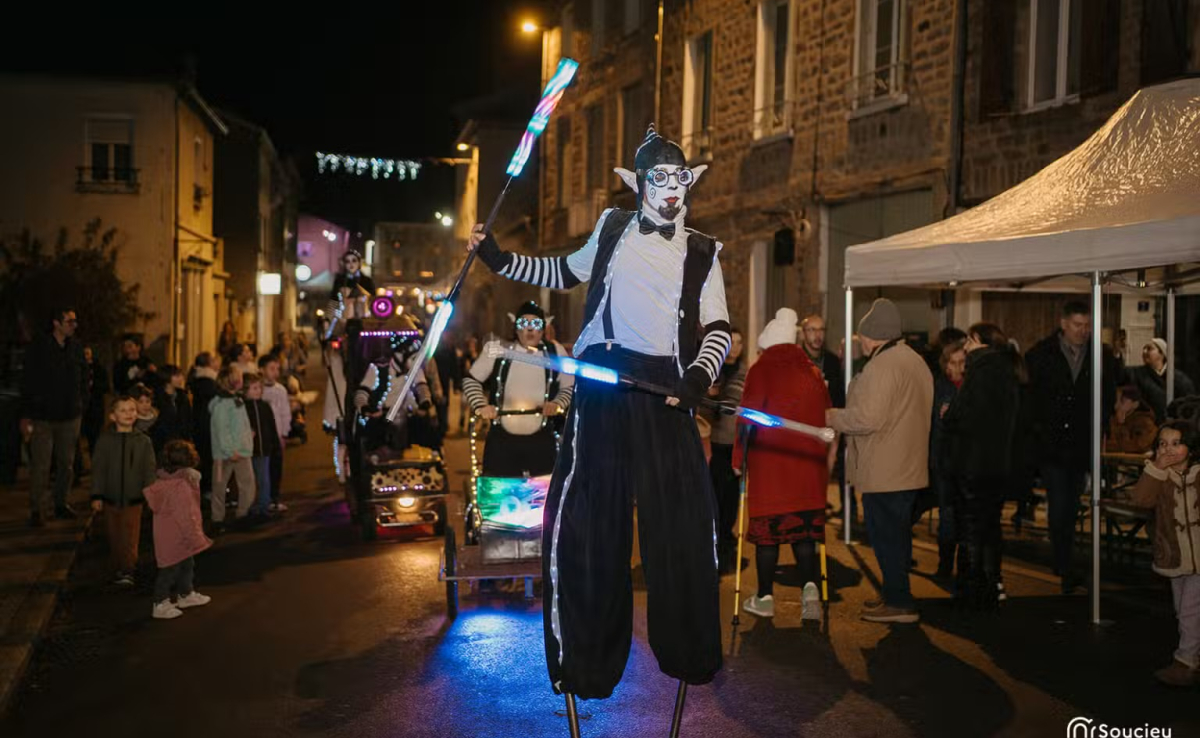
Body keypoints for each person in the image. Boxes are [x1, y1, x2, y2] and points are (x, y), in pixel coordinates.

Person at [468, 124, 730, 702]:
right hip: (604, 383)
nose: (670, 189)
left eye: (679, 178)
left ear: (689, 185)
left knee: (684, 523)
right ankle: (586, 660)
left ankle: (688, 649)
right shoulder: (613, 228)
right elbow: (562, 272)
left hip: (666, 389)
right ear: (639, 185)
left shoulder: (705, 252)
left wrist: (696, 377)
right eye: (658, 178)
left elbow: (718, 329)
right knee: (587, 524)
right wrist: (497, 258)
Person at [827, 298, 932, 624]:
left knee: (887, 538)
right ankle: (894, 594)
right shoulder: (914, 361)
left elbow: (867, 418)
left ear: (872, 335)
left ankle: (899, 602)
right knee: (897, 537)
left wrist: (831, 416)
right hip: (907, 466)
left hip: (885, 469)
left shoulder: (883, 366)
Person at [733, 309, 830, 620]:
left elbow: (747, 419)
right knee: (804, 534)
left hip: (771, 468)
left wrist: (739, 459)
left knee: (768, 534)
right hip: (807, 468)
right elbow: (825, 416)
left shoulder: (761, 370)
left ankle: (764, 597)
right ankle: (810, 593)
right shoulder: (813, 372)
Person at [1025, 301, 1115, 593]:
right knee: (1060, 502)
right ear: (1064, 323)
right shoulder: (1041, 355)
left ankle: (1064, 557)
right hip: (1051, 446)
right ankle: (1063, 561)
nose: (1083, 331)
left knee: (1072, 504)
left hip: (1081, 445)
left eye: (1088, 326)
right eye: (1078, 325)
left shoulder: (1101, 356)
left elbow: (1110, 393)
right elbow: (1032, 400)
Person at [941, 323, 1020, 609]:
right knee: (990, 526)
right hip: (997, 464)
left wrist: (948, 414)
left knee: (971, 528)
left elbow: (962, 416)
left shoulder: (979, 372)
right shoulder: (1008, 372)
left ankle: (970, 587)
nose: (966, 349)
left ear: (980, 343)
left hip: (972, 463)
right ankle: (991, 582)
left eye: (969, 343)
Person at [1119, 421, 1200, 686]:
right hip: (1174, 554)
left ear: (1191, 445)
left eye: (1177, 443)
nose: (1169, 450)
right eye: (1163, 444)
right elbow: (1140, 500)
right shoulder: (1158, 475)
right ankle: (1193, 654)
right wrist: (1156, 469)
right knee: (1182, 609)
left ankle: (1185, 662)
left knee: (1190, 609)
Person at [462, 301, 575, 478]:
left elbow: (568, 385)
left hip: (541, 441)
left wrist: (557, 404)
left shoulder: (555, 351)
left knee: (544, 497)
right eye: (524, 324)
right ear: (515, 327)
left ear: (543, 327)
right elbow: (471, 380)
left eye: (535, 324)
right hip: (502, 443)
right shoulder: (497, 350)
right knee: (497, 497)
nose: (530, 330)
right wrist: (481, 406)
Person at [19, 307, 87, 525]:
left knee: (66, 464)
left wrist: (81, 401)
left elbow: (84, 377)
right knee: (41, 465)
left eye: (75, 321)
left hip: (70, 415)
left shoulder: (76, 348)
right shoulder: (39, 348)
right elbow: (27, 381)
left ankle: (60, 503)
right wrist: (27, 414)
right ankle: (37, 509)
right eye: (70, 321)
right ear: (56, 323)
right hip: (43, 417)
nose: (74, 325)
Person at [90, 396, 157, 586]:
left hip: (133, 499)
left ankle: (128, 569)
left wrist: (150, 493)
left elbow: (149, 469)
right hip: (110, 498)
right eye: (123, 410)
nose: (129, 414)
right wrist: (97, 494)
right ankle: (117, 566)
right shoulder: (105, 441)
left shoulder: (143, 441)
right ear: (112, 416)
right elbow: (99, 469)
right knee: (114, 534)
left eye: (132, 410)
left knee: (130, 535)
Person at [144, 440, 213, 620]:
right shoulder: (179, 487)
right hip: (178, 536)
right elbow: (186, 517)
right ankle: (160, 603)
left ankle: (185, 593)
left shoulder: (164, 480)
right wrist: (196, 538)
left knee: (185, 565)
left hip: (167, 536)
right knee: (169, 570)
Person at [705, 327, 745, 572]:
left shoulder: (746, 373)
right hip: (713, 445)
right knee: (714, 501)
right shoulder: (712, 371)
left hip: (734, 445)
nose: (736, 347)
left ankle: (727, 549)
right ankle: (715, 548)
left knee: (730, 502)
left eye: (740, 342)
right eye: (731, 342)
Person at [930, 337, 966, 578]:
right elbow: (936, 428)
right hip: (945, 462)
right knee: (948, 516)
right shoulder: (940, 388)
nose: (959, 367)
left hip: (965, 462)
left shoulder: (971, 385)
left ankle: (963, 568)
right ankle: (945, 565)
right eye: (954, 362)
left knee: (962, 517)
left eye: (963, 361)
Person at [209, 366, 255, 531]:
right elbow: (222, 430)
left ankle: (242, 514)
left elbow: (239, 423)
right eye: (239, 377)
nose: (241, 379)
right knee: (219, 486)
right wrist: (230, 450)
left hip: (242, 451)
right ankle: (217, 519)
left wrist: (247, 435)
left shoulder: (237, 400)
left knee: (248, 485)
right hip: (224, 455)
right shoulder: (221, 405)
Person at [1130, 338, 1196, 423]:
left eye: (1150, 349)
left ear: (1161, 354)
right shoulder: (1137, 374)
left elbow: (1189, 405)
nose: (1144, 352)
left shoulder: (1180, 379)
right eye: (1144, 349)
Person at [242, 373, 281, 518]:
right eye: (254, 388)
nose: (258, 391)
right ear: (245, 391)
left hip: (264, 449)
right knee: (249, 481)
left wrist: (275, 444)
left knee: (264, 478)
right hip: (248, 450)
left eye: (259, 388)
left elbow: (271, 426)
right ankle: (250, 506)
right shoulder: (243, 407)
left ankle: (264, 505)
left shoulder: (265, 406)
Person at [258, 355, 291, 512]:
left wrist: (284, 433)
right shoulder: (258, 390)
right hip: (261, 437)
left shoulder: (280, 390)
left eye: (277, 369)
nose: (275, 372)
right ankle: (262, 499)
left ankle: (274, 498)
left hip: (276, 435)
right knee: (261, 469)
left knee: (276, 468)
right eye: (271, 369)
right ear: (262, 370)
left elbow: (285, 413)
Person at [188, 352, 220, 499]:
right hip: (206, 424)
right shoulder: (207, 382)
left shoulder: (202, 380)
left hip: (201, 423)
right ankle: (206, 489)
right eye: (213, 360)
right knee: (207, 457)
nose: (217, 362)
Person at [151, 365, 192, 455]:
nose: (181, 378)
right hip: (162, 443)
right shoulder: (156, 397)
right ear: (167, 377)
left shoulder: (182, 396)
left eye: (181, 375)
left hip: (181, 443)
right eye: (177, 376)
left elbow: (187, 420)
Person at [81, 345, 110, 469]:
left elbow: (105, 386)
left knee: (95, 438)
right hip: (81, 408)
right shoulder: (78, 368)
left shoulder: (99, 369)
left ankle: (96, 464)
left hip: (95, 408)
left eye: (88, 353)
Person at [1107, 385, 1158, 454]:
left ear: (1135, 404)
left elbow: (1138, 446)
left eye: (1122, 401)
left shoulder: (1145, 423)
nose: (1116, 406)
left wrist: (1121, 427)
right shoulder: (1114, 419)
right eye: (1116, 401)